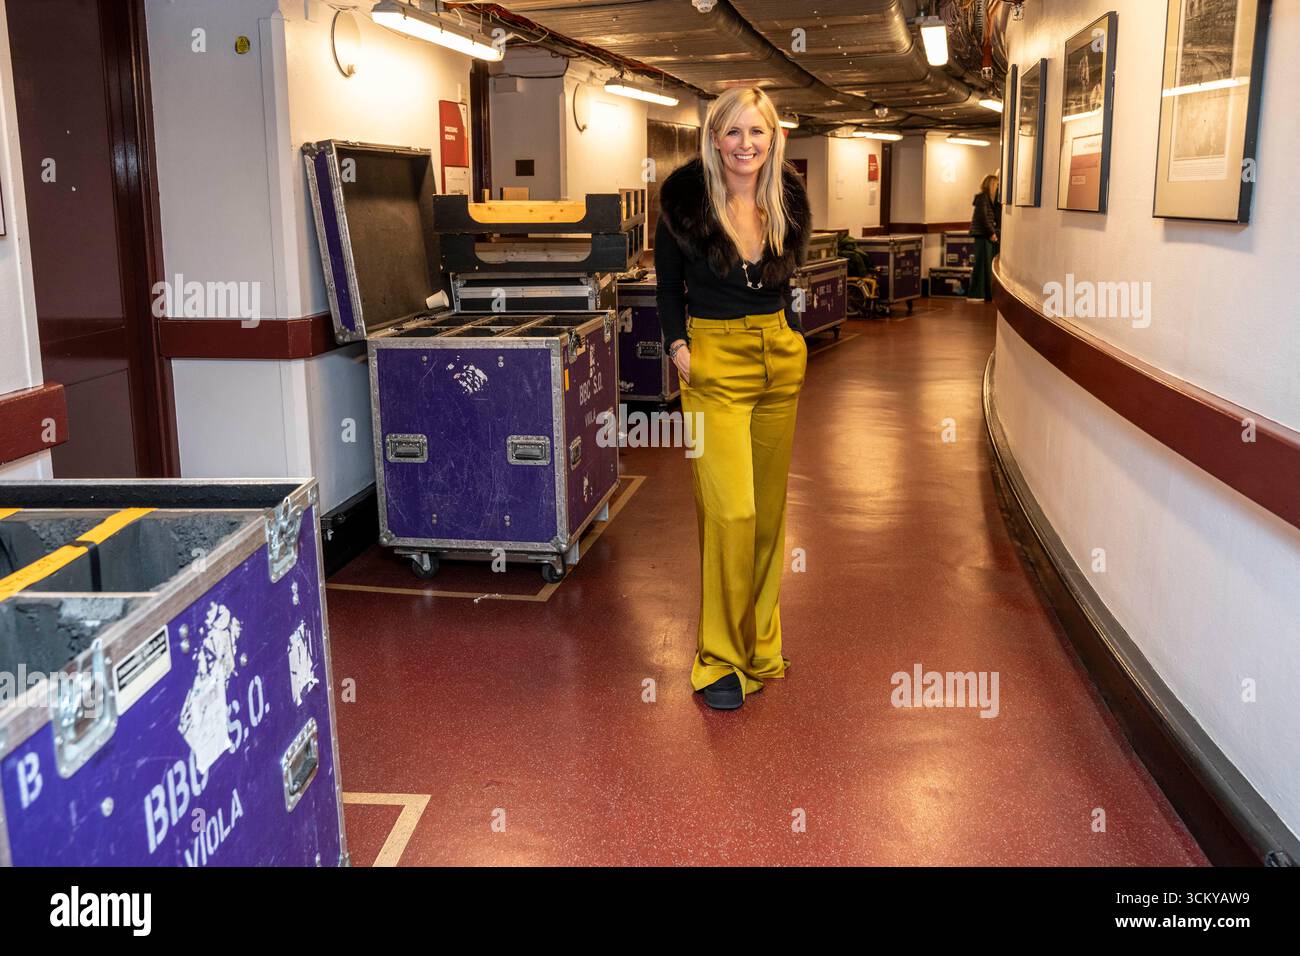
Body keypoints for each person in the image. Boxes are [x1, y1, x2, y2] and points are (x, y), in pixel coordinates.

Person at [653, 87, 812, 710]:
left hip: (778, 359)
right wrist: (676, 349)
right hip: (712, 364)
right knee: (732, 512)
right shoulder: (685, 203)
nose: (747, 144)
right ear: (714, 137)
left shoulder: (786, 201)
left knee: (770, 516)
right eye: (734, 132)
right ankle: (718, 660)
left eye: (758, 132)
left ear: (773, 138)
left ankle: (760, 643)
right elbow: (668, 287)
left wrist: (791, 336)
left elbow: (784, 282)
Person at [967, 173, 1000, 303]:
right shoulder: (983, 199)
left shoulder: (987, 199)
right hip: (982, 235)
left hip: (984, 235)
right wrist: (991, 233)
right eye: (996, 185)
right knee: (981, 265)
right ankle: (976, 293)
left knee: (986, 265)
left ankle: (985, 293)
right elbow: (983, 218)